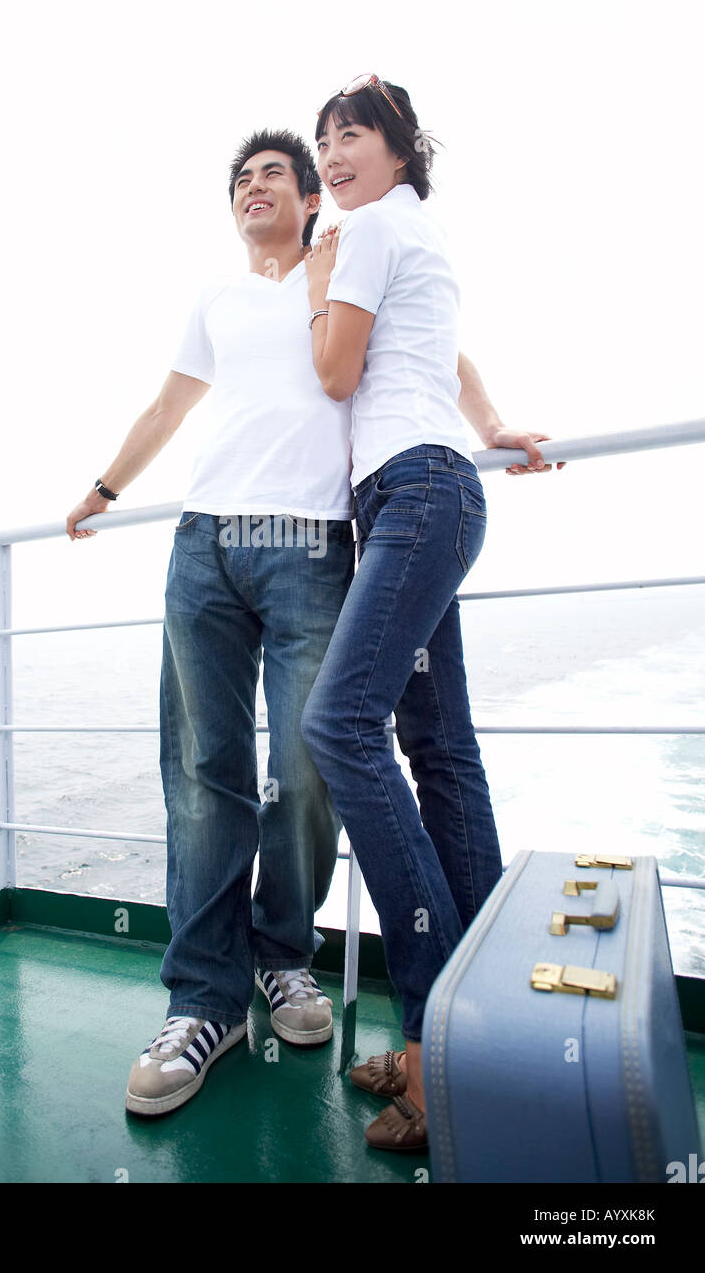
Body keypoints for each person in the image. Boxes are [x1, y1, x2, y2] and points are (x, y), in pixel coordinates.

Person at [66, 124, 551, 1119]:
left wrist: (493, 424)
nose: (254, 187)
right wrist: (105, 487)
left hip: (314, 548)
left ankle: (285, 959)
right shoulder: (217, 298)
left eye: (274, 175)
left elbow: (438, 352)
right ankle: (206, 999)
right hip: (204, 544)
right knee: (204, 776)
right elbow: (169, 403)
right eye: (241, 178)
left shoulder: (340, 269)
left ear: (308, 199)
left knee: (307, 765)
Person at [300, 74, 552, 1151]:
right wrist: (492, 419)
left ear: (400, 151)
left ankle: (436, 1028)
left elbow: (335, 369)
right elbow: (444, 354)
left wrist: (316, 278)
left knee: (336, 726)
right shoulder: (414, 234)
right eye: (324, 139)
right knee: (438, 745)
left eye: (353, 133)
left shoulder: (357, 238)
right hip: (439, 491)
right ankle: (482, 1032)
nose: (333, 152)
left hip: (411, 496)